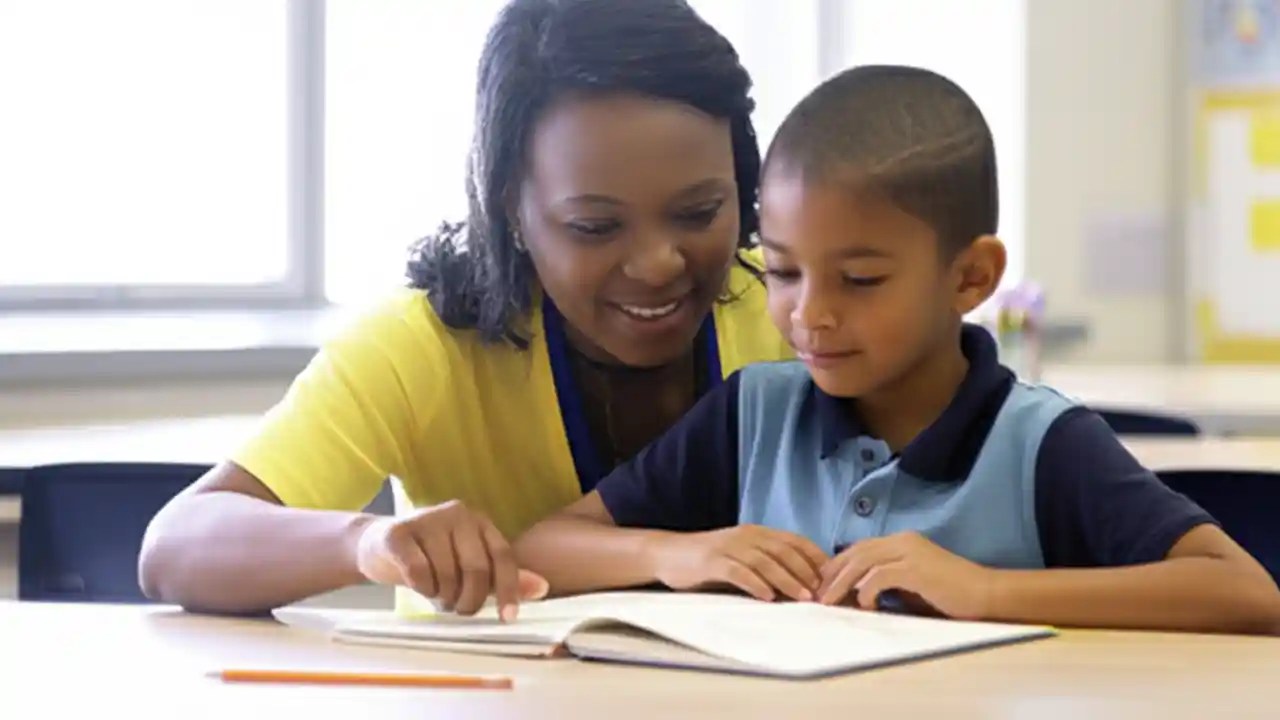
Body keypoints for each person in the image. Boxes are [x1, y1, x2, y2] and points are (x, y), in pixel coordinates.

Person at [514, 65, 1280, 634]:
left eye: (860, 280)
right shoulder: (754, 414)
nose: (809, 314)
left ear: (970, 277)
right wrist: (673, 555)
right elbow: (544, 546)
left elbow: (1246, 594)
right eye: (783, 271)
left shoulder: (1038, 443)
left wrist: (987, 592)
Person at [138, 0, 791, 621]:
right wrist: (366, 541)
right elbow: (177, 545)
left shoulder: (799, 308)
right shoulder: (423, 345)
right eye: (595, 227)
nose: (657, 264)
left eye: (699, 212)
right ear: (510, 207)